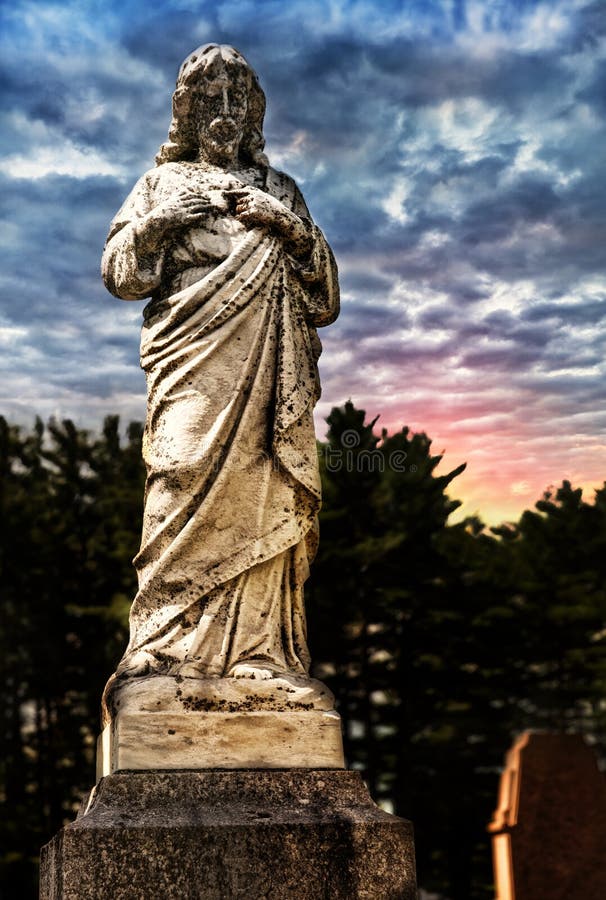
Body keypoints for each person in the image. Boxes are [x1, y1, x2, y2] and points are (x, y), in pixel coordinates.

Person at [101, 44, 339, 682]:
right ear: (187, 109)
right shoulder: (161, 184)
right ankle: (162, 646)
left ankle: (260, 653)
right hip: (194, 365)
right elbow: (120, 274)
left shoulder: (280, 189)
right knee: (177, 478)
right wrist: (158, 224)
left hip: (267, 366)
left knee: (261, 495)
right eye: (210, 97)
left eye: (238, 98)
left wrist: (287, 225)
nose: (225, 111)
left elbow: (325, 297)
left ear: (254, 112)